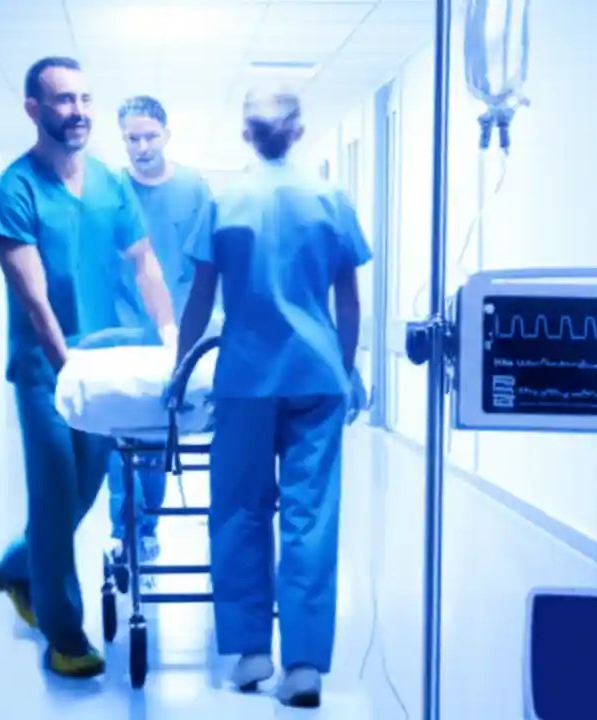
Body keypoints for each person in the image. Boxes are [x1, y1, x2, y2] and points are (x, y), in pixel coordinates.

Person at [172, 84, 370, 708]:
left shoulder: (223, 200)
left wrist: (179, 369)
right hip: (316, 378)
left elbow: (200, 300)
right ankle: (305, 664)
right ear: (301, 131)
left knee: (238, 511)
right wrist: (347, 366)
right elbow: (349, 299)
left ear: (244, 134)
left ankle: (251, 651)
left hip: (247, 380)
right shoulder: (330, 199)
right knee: (312, 516)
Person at [0, 56, 177, 679]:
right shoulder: (12, 191)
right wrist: (69, 370)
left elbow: (143, 262)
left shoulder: (110, 185)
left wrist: (171, 334)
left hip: (104, 366)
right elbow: (33, 294)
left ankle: (17, 563)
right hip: (47, 372)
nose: (79, 112)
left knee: (88, 487)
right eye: (64, 100)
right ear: (34, 110)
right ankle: (64, 632)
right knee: (54, 488)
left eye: (86, 99)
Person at [106, 95, 214, 562]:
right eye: (133, 137)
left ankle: (147, 524)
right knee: (119, 434)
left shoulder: (194, 189)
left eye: (151, 136)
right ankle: (122, 527)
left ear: (167, 135)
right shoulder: (110, 189)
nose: (142, 145)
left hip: (178, 334)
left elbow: (208, 262)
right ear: (123, 139)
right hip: (123, 327)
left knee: (157, 433)